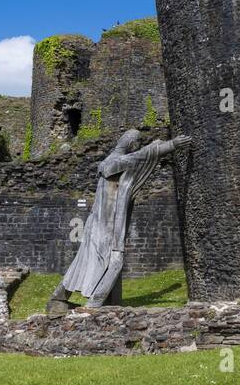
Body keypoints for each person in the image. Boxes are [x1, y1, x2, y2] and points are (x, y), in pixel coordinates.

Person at [46, 129, 191, 314]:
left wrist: (155, 146)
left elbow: (136, 159)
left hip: (100, 222)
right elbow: (137, 158)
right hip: (106, 223)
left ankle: (60, 298)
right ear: (130, 144)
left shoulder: (112, 160)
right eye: (136, 143)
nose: (137, 146)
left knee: (83, 261)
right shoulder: (112, 162)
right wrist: (170, 146)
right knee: (115, 261)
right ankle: (93, 305)